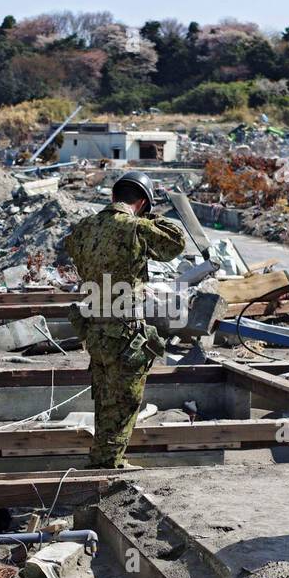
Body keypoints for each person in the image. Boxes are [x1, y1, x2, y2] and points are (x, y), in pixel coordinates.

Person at [63, 171, 185, 468]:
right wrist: (149, 219)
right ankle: (108, 468)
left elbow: (70, 248)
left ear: (113, 197)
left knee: (106, 398)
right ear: (142, 202)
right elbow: (176, 242)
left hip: (94, 329)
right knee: (124, 403)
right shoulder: (136, 228)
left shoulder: (85, 228)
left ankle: (103, 459)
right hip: (125, 332)